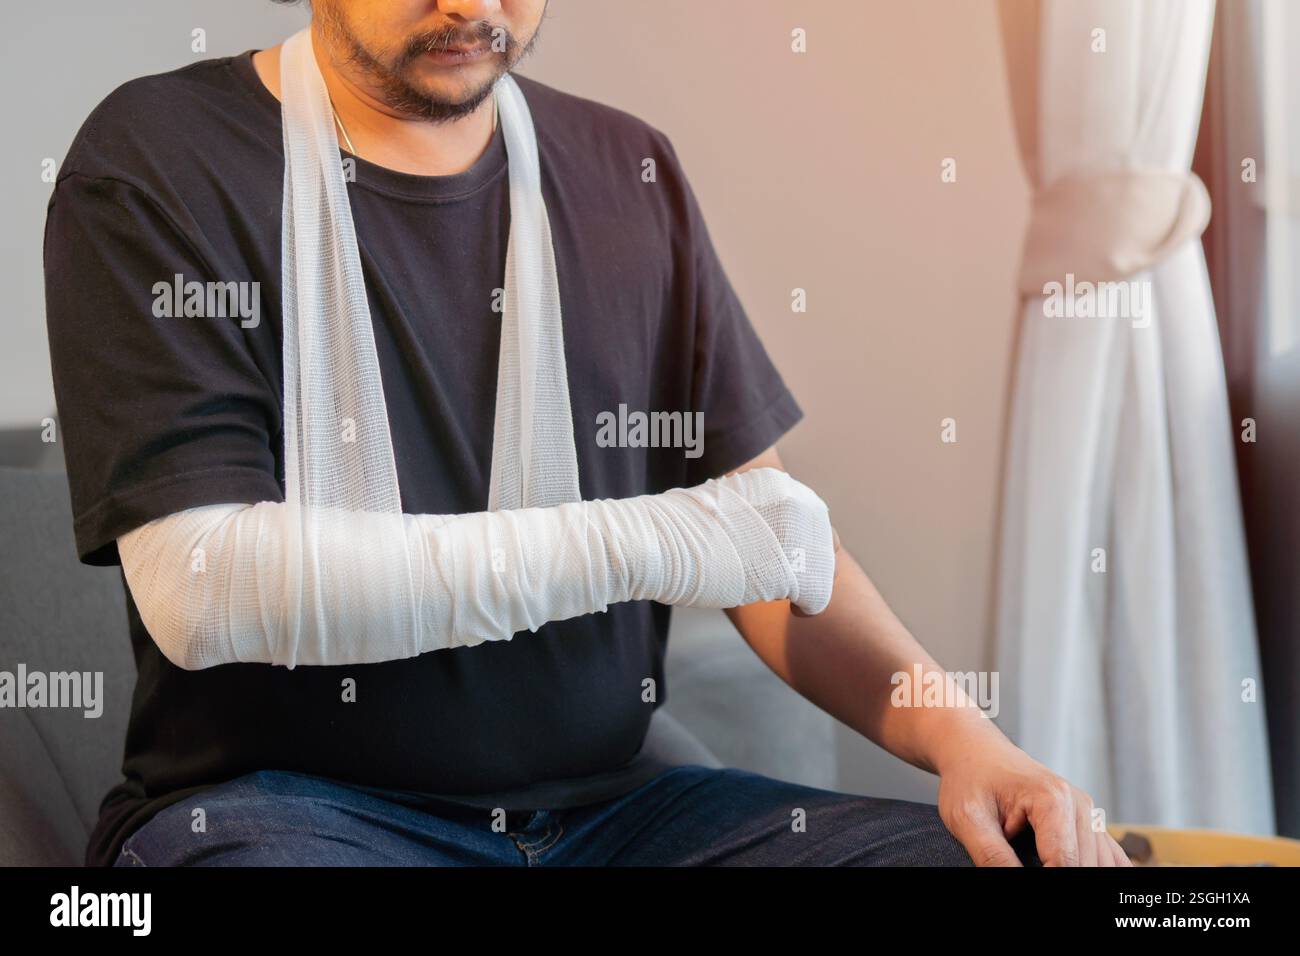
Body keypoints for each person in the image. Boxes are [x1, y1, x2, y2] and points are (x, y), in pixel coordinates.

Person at [44, 0, 1130, 867]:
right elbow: (205, 590)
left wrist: (966, 741)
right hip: (285, 816)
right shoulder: (157, 160)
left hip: (620, 818)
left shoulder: (627, 170)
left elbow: (772, 551)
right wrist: (660, 539)